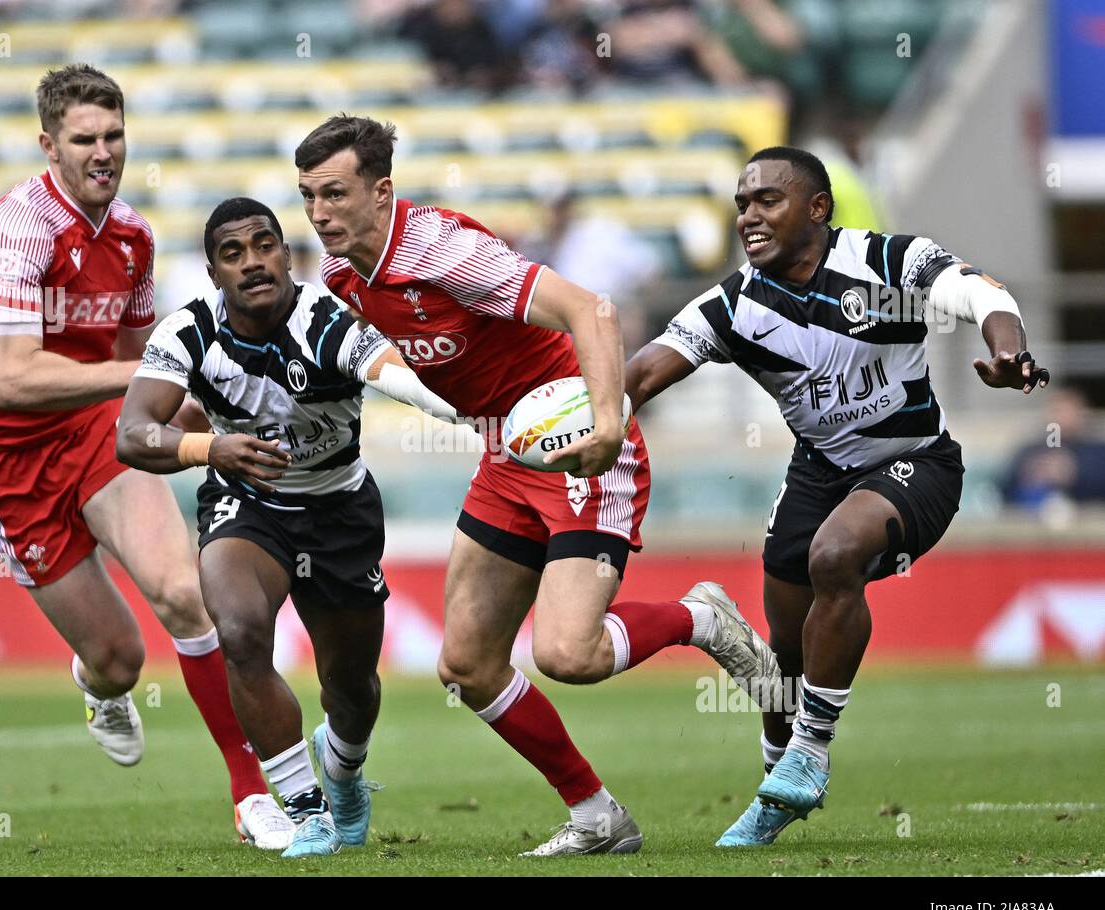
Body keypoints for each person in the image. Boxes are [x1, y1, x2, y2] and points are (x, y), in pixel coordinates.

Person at [295, 114, 780, 857]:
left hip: (581, 444)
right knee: (466, 664)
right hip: (506, 454)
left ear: (382, 190)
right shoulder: (339, 278)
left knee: (569, 655)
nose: (320, 213)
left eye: (334, 193)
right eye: (308, 197)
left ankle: (702, 621)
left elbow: (593, 310)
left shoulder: (444, 252)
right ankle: (596, 817)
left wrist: (609, 422)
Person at [625, 146, 1051, 846]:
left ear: (817, 208)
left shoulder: (890, 263)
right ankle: (775, 790)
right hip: (817, 475)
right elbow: (642, 375)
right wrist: (587, 429)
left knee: (836, 553)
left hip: (917, 462)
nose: (749, 216)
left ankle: (811, 754)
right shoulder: (734, 304)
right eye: (742, 203)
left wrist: (1009, 351)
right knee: (780, 671)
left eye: (767, 200)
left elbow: (984, 296)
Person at [0, 64, 267, 835]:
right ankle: (101, 683)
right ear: (48, 145)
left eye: (115, 135)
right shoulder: (16, 230)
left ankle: (255, 793)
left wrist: (207, 402)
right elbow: (12, 380)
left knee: (185, 594)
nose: (104, 152)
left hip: (95, 434)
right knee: (120, 657)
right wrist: (157, 368)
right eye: (85, 139)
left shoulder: (133, 236)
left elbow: (138, 373)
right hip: (9, 460)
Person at [117, 197, 459, 858]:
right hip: (249, 504)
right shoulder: (188, 331)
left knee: (351, 689)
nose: (253, 263)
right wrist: (209, 449)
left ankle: (345, 773)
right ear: (213, 271)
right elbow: (133, 435)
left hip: (338, 510)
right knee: (241, 632)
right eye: (233, 253)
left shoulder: (325, 319)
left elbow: (392, 373)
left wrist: (453, 407)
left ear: (287, 252)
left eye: (264, 244)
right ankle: (307, 812)